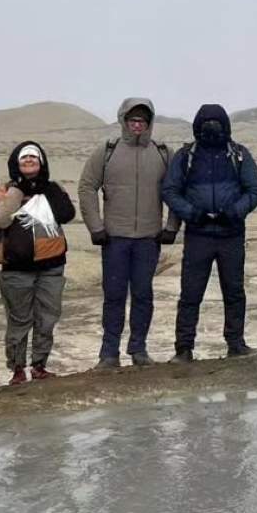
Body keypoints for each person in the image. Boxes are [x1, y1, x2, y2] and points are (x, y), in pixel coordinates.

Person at [77, 98, 179, 367]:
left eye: (142, 121)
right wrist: (95, 226)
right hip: (114, 239)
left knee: (143, 295)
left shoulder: (162, 152)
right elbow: (87, 187)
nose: (137, 125)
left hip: (148, 238)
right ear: (123, 120)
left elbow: (176, 190)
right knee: (114, 296)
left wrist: (171, 227)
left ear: (149, 123)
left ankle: (139, 349)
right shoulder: (107, 150)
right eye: (133, 120)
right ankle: (109, 353)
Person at [161, 104, 257, 362]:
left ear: (225, 126)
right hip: (198, 235)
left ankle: (236, 344)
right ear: (197, 126)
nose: (211, 128)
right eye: (206, 123)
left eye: (216, 123)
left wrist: (233, 212)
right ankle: (184, 348)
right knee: (191, 293)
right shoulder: (186, 156)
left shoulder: (238, 155)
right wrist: (193, 214)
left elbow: (254, 189)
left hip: (231, 234)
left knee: (234, 291)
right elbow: (170, 190)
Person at [0, 141, 76, 384]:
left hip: (51, 265)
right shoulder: (7, 190)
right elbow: (1, 219)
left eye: (34, 158)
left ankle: (40, 365)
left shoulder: (52, 188)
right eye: (24, 158)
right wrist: (19, 189)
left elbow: (67, 214)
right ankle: (17, 369)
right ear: (16, 163)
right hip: (16, 268)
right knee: (19, 320)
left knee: (47, 318)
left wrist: (45, 190)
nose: (29, 161)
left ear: (42, 162)